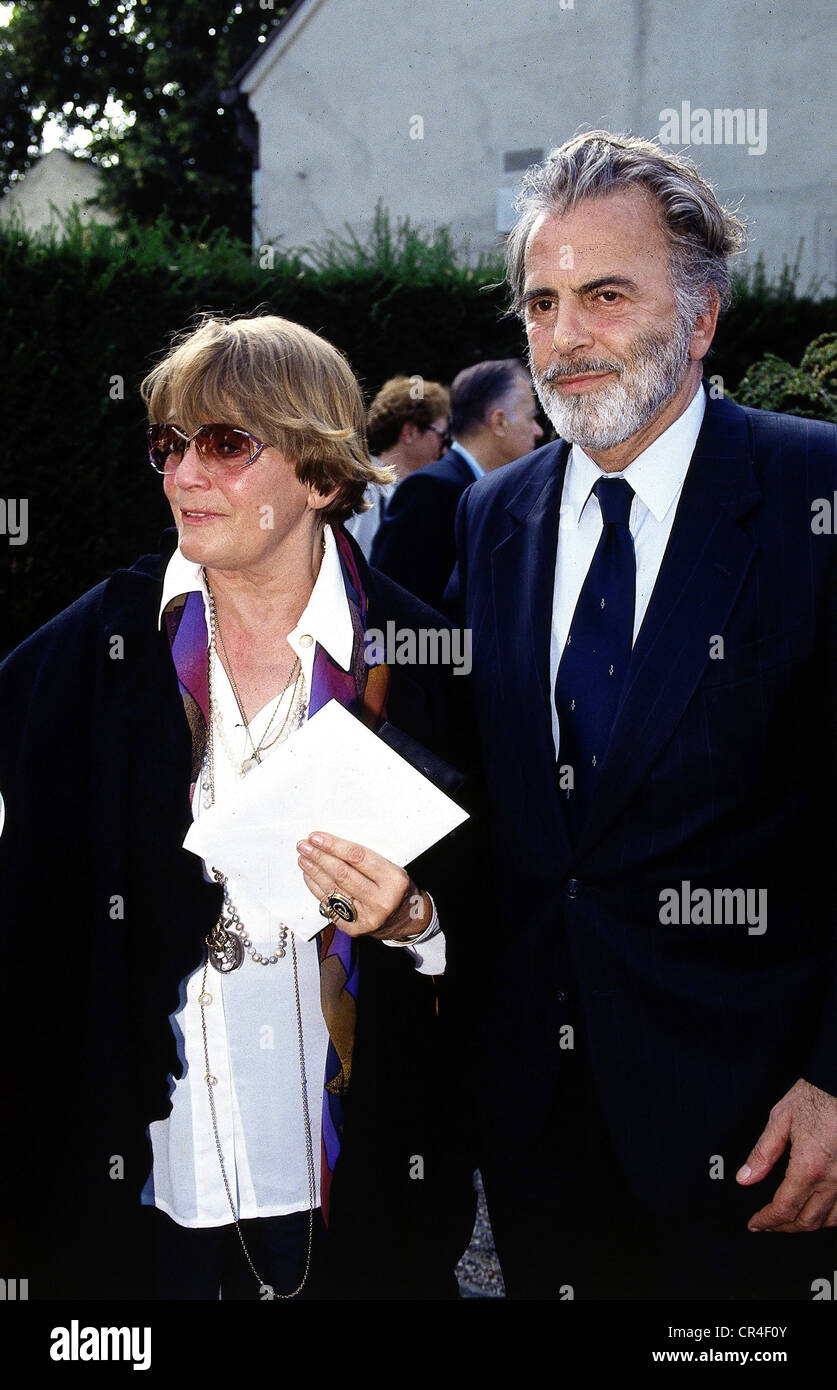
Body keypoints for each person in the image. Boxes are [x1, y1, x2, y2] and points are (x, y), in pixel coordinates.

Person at [0, 313, 473, 1300]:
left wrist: (412, 920)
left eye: (224, 444)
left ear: (322, 474)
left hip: (342, 1181)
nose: (180, 475)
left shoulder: (426, 661)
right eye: (168, 444)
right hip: (141, 1183)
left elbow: (511, 919)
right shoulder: (88, 652)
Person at [446, 130, 837, 1299]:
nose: (565, 338)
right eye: (542, 303)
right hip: (539, 1132)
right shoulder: (494, 519)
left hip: (762, 1136)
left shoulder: (814, 494)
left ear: (704, 316)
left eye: (606, 295)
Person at [372, 359, 543, 611]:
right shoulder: (430, 491)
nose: (538, 431)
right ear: (498, 422)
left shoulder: (483, 490)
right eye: (531, 418)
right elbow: (395, 611)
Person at [344, 375, 450, 559]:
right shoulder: (368, 488)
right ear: (409, 432)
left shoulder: (398, 488)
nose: (446, 447)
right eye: (442, 435)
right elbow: (362, 567)